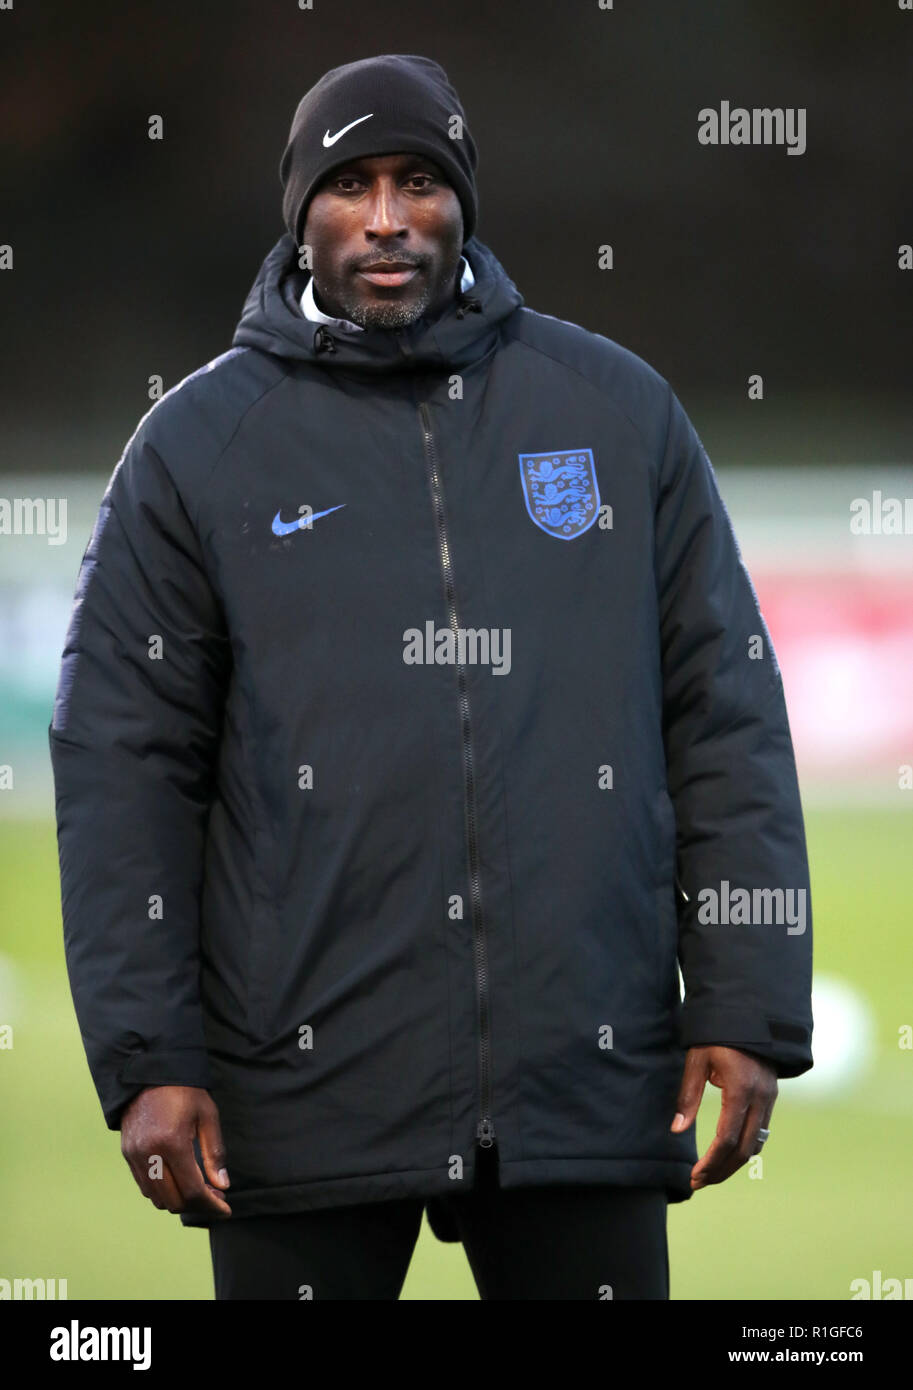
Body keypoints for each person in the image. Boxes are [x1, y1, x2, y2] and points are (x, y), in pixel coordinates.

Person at [49, 53, 813, 1301]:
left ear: (465, 200)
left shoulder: (617, 415)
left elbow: (723, 721)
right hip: (297, 1098)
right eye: (350, 184)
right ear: (301, 211)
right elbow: (124, 766)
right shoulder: (194, 448)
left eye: (419, 180)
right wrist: (146, 1059)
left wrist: (746, 1006)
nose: (389, 217)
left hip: (583, 1079)